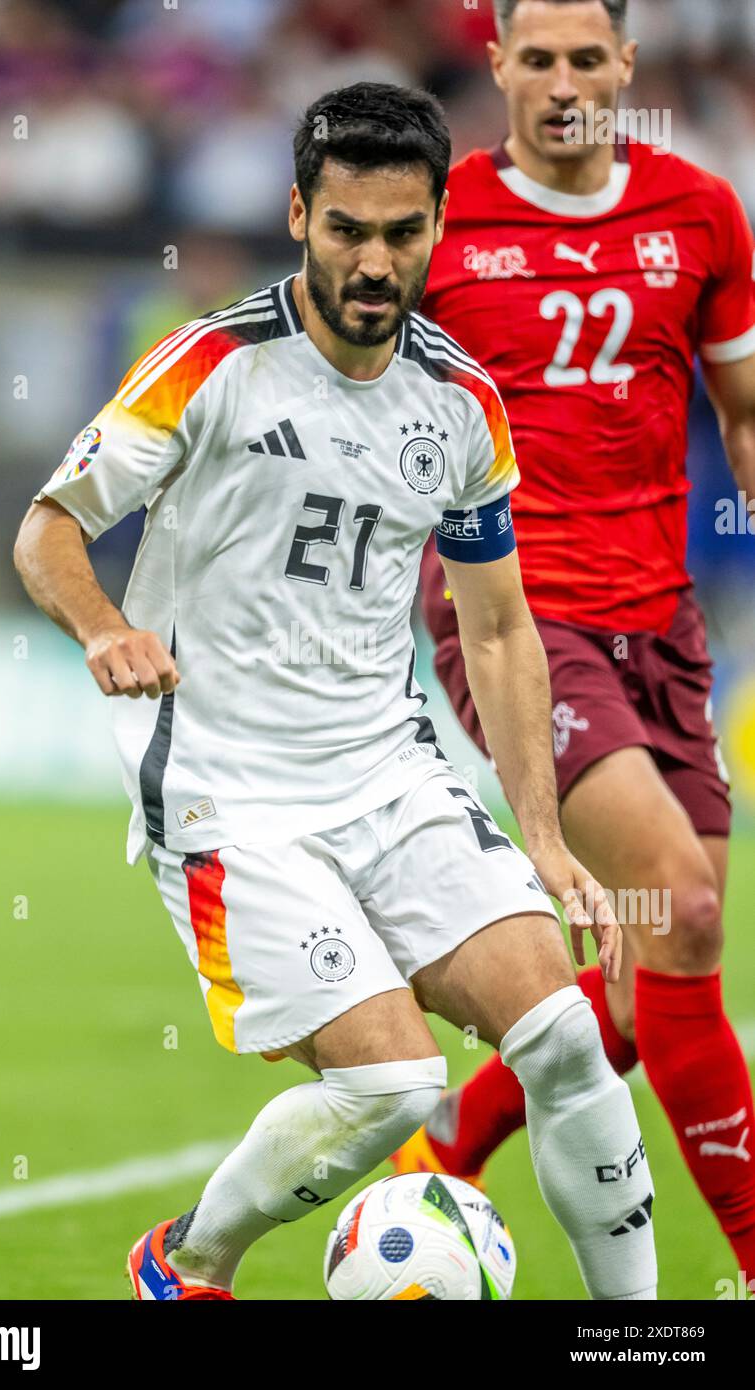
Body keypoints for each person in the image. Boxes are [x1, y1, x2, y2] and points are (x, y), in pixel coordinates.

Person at [14, 81, 656, 1302]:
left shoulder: (462, 405)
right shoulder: (209, 368)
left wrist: (544, 837)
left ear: (436, 225)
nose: (373, 261)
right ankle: (186, 1264)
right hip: (225, 792)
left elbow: (501, 626)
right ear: (298, 214)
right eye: (345, 230)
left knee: (569, 1039)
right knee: (395, 1086)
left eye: (401, 233)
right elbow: (49, 527)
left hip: (386, 770)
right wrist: (101, 627)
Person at [392, 0, 755, 1283]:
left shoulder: (699, 212)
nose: (559, 82)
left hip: (659, 620)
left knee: (650, 959)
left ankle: (447, 1136)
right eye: (532, 58)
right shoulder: (435, 226)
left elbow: (742, 413)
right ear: (494, 66)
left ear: (625, 69)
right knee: (692, 909)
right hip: (516, 620)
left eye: (582, 58)